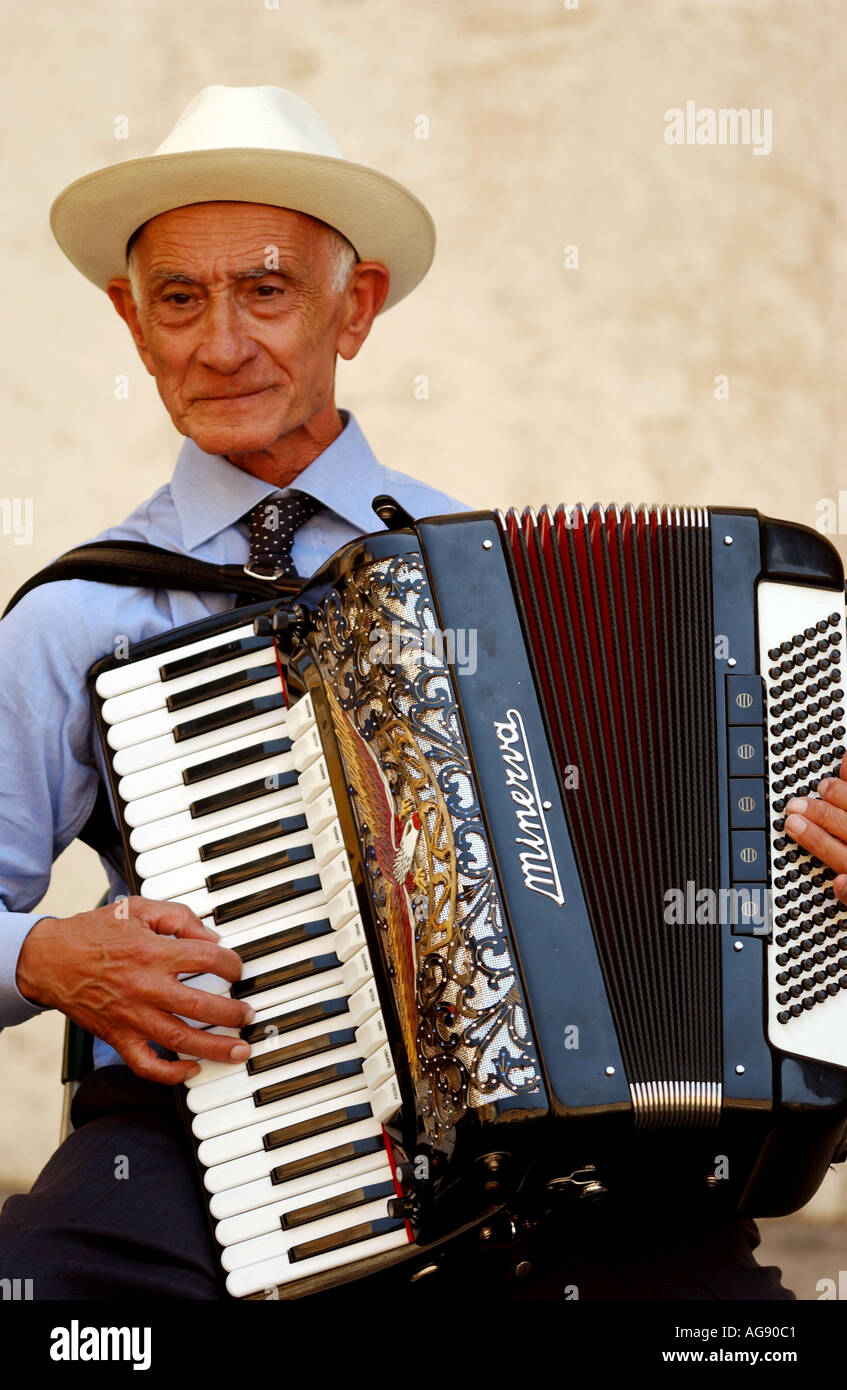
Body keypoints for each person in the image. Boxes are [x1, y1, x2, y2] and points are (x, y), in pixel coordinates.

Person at [0, 83, 815, 1301]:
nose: (219, 342)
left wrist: (820, 878)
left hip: (557, 1148)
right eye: (179, 299)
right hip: (206, 1127)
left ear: (356, 306)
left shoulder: (486, 572)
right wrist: (46, 956)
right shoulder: (81, 610)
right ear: (132, 320)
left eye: (266, 290)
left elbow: (718, 880)